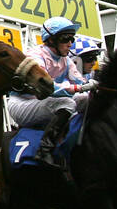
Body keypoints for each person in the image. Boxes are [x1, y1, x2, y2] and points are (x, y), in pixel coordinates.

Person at [7, 17, 96, 168]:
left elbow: (81, 83)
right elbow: (47, 88)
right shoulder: (35, 56)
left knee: (87, 99)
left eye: (72, 39)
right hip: (22, 104)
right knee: (66, 102)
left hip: (44, 103)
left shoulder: (66, 60)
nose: (70, 44)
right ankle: (44, 149)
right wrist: (77, 88)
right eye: (65, 39)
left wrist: (93, 86)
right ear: (51, 40)